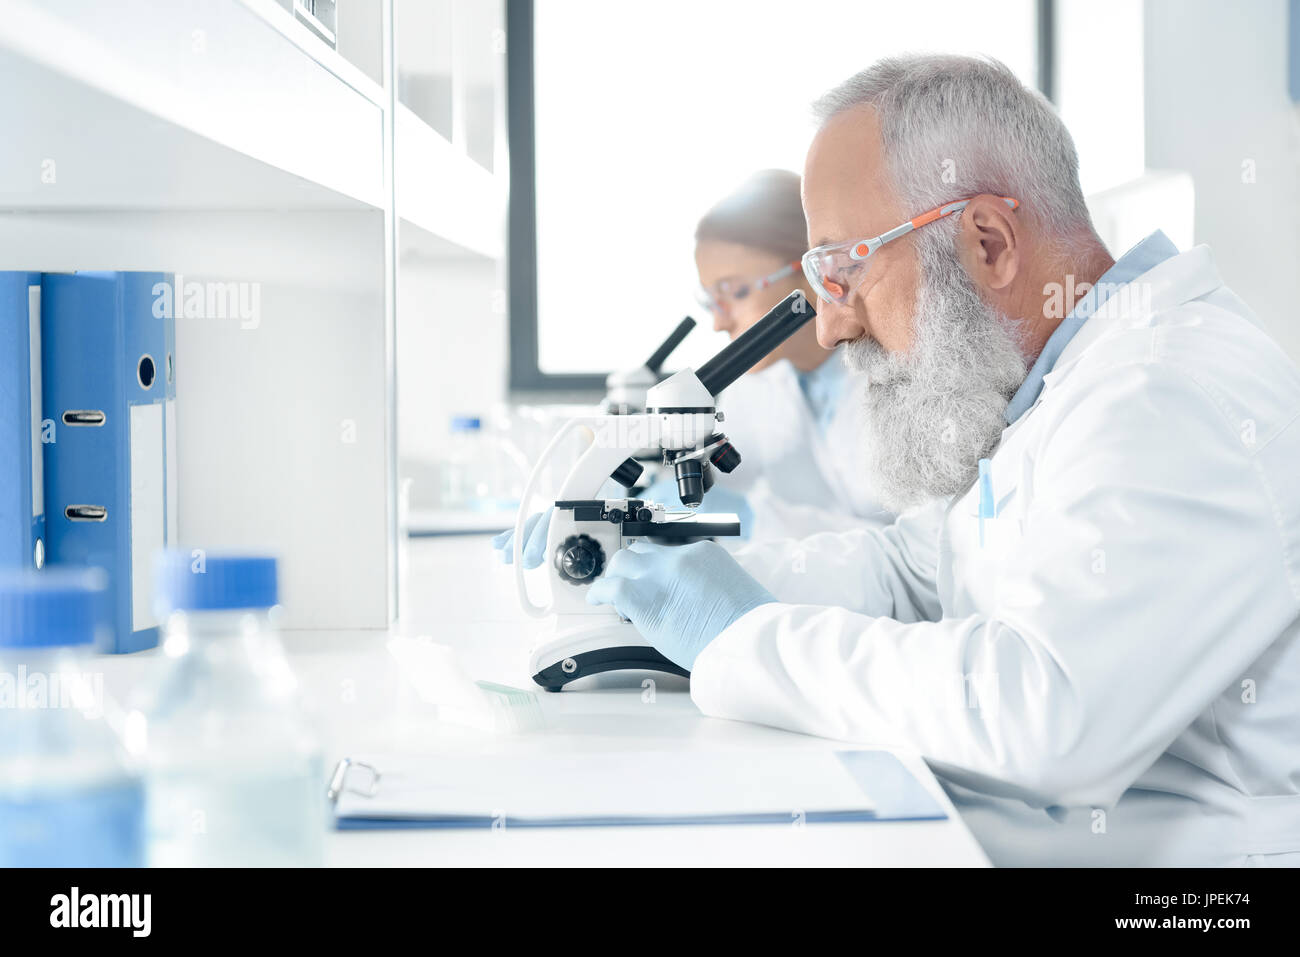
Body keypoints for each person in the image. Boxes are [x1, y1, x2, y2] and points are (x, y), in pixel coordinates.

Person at [586, 54, 1300, 866]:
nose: (830, 328)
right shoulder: (1054, 385)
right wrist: (670, 591)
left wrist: (741, 637)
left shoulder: (1167, 395)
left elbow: (1043, 715)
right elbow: (920, 570)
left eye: (844, 270)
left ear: (988, 242)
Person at [495, 171, 891, 567]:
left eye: (733, 292)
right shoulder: (755, 390)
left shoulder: (900, 378)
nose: (719, 323)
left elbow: (918, 557)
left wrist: (757, 519)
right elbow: (709, 495)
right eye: (710, 302)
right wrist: (607, 507)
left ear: (815, 269)